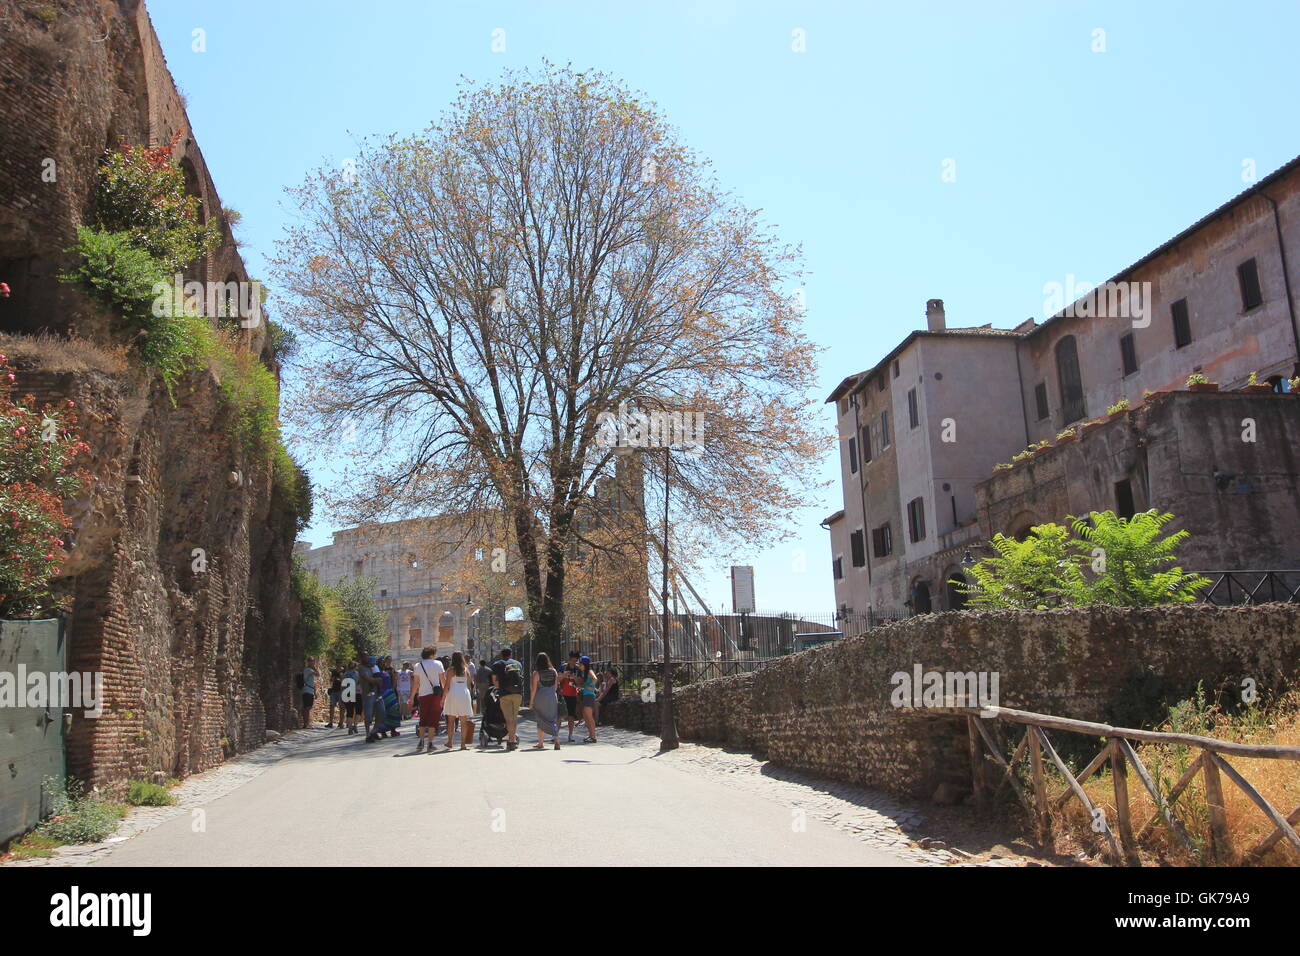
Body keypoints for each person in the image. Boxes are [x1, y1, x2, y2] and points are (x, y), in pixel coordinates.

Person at [410, 647, 445, 753]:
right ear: (432, 654)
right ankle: (430, 743)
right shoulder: (438, 664)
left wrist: (411, 697)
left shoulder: (418, 665)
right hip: (435, 695)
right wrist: (446, 694)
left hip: (423, 695)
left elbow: (416, 683)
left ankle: (421, 741)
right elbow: (443, 681)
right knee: (433, 719)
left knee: (423, 718)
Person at [491, 647, 525, 751]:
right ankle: (512, 739)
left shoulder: (497, 664)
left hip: (505, 693)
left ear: (502, 655)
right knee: (514, 717)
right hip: (518, 693)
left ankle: (511, 741)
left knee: (508, 718)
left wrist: (498, 689)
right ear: (510, 654)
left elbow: (495, 681)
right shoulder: (518, 664)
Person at [442, 651, 475, 750]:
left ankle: (450, 741)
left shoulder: (451, 670)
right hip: (464, 693)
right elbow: (469, 684)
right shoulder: (466, 670)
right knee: (463, 721)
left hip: (453, 693)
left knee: (451, 720)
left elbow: (447, 685)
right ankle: (463, 744)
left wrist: (443, 698)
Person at [530, 652, 561, 750]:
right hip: (552, 697)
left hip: (540, 698)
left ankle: (541, 743)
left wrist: (531, 702)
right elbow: (556, 686)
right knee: (552, 719)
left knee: (540, 719)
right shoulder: (554, 671)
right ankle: (556, 739)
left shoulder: (536, 673)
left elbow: (534, 689)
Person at [558, 651, 581, 743]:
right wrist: (564, 675)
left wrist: (575, 678)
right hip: (562, 693)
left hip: (573, 694)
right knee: (559, 715)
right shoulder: (563, 667)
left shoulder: (578, 669)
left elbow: (580, 683)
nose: (573, 662)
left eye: (575, 661)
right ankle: (555, 734)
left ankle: (570, 735)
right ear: (569, 659)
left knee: (571, 715)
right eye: (572, 660)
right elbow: (557, 679)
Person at [577, 656, 598, 743]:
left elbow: (595, 679)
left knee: (589, 716)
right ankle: (590, 735)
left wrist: (591, 686)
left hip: (589, 696)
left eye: (580, 664)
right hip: (586, 695)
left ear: (584, 664)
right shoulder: (585, 674)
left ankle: (593, 737)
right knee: (586, 716)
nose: (579, 666)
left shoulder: (589, 671)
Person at [342, 660, 361, 735]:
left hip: (347, 693)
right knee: (358, 710)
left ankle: (350, 728)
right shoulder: (357, 674)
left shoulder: (345, 674)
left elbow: (343, 685)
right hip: (357, 692)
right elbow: (360, 683)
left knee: (349, 711)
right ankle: (355, 725)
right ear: (356, 666)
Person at [300, 663, 317, 728]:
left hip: (308, 690)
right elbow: (318, 674)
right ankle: (306, 724)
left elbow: (314, 683)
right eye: (312, 661)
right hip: (308, 691)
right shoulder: (309, 670)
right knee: (307, 708)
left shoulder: (306, 670)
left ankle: (306, 723)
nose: (313, 663)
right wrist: (314, 667)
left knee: (306, 707)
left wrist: (315, 692)